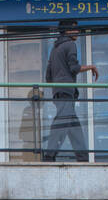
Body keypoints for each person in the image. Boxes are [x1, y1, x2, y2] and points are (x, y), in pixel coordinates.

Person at [42, 19, 98, 163]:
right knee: (61, 123)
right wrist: (91, 67)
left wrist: (57, 84)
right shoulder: (70, 45)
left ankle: (82, 157)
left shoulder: (55, 49)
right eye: (74, 29)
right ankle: (49, 156)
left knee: (72, 124)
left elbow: (48, 76)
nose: (77, 32)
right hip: (66, 91)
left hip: (58, 92)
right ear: (67, 31)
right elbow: (74, 68)